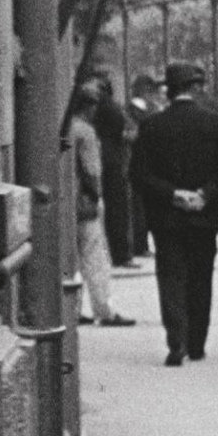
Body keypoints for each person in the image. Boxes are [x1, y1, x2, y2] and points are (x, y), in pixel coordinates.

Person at [131, 63, 218, 366]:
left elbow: (138, 175)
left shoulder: (152, 126)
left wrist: (173, 194)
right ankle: (197, 343)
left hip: (167, 218)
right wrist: (204, 194)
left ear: (170, 90)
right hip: (204, 216)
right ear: (194, 88)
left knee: (171, 278)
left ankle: (176, 341)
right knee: (201, 278)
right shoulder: (216, 123)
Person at [70, 83, 135, 327]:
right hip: (85, 202)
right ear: (89, 105)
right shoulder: (85, 131)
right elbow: (92, 170)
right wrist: (98, 194)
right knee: (95, 258)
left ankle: (73, 309)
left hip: (67, 204)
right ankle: (104, 309)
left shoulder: (66, 127)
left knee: (70, 260)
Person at [90, 74, 138, 267]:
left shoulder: (94, 109)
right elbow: (127, 131)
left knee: (108, 211)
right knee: (119, 210)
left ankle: (114, 253)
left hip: (102, 159)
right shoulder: (112, 107)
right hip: (115, 162)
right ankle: (123, 254)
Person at [125, 74, 161, 259]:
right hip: (142, 164)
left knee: (144, 207)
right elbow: (131, 135)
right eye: (150, 90)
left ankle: (143, 244)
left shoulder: (147, 109)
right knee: (140, 208)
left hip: (147, 163)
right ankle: (141, 245)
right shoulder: (135, 110)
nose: (152, 94)